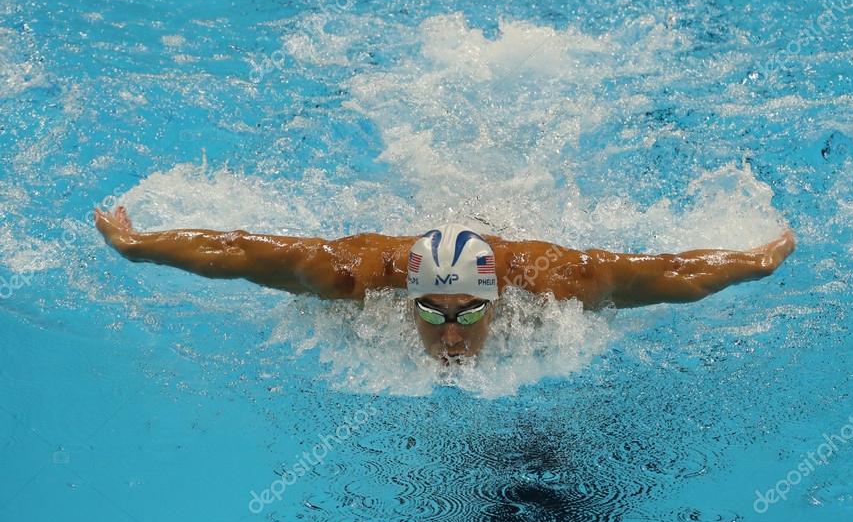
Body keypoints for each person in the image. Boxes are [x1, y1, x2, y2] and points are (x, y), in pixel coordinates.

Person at [94, 205, 795, 363]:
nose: (453, 332)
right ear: (404, 295)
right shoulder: (350, 278)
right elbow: (239, 251)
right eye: (431, 312)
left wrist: (753, 261)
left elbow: (671, 275)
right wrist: (138, 247)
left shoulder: (555, 282)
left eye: (469, 312)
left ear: (501, 298)